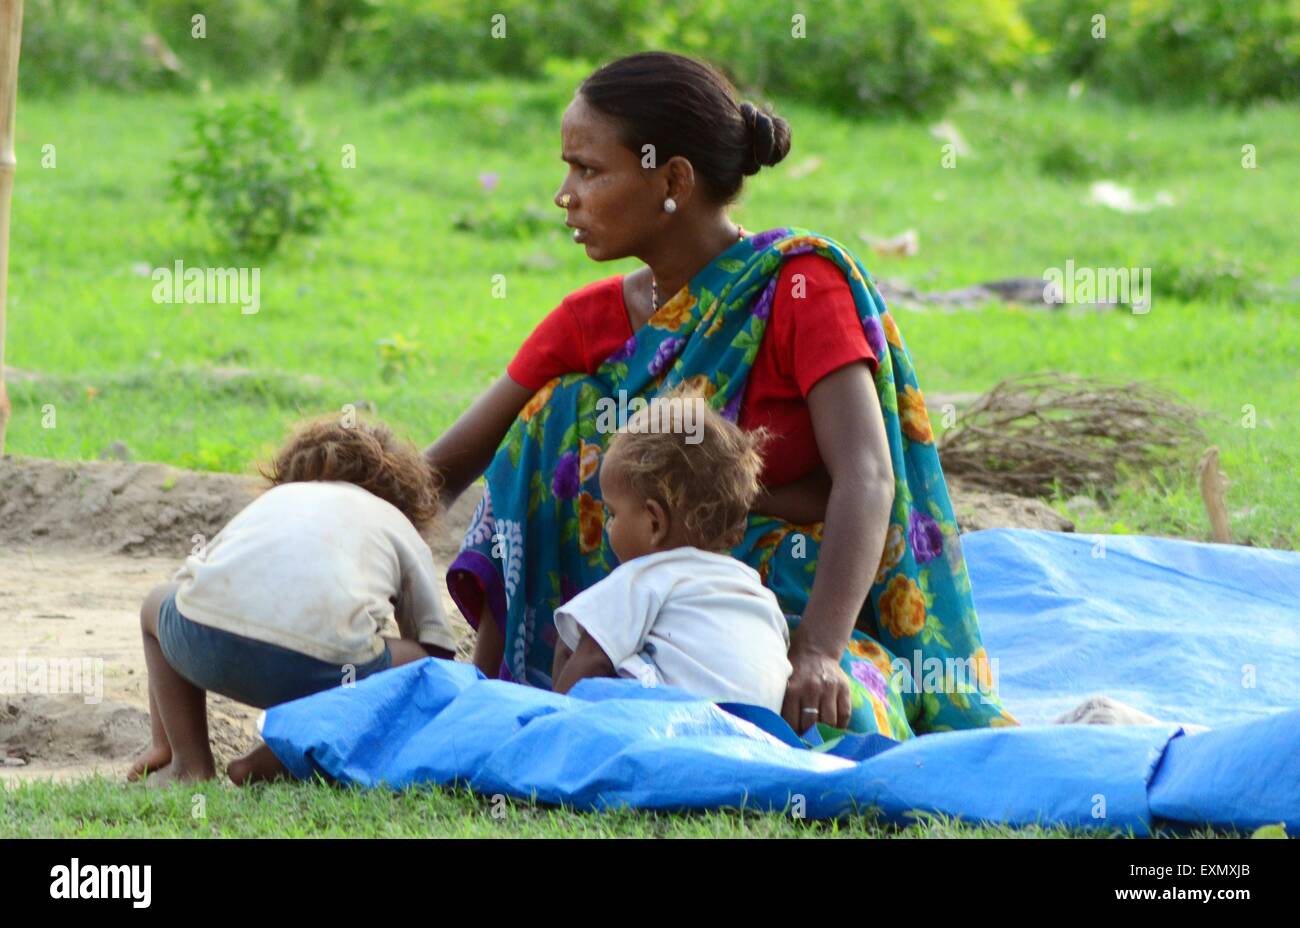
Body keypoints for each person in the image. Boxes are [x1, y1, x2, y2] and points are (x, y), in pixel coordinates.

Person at [426, 51, 1017, 739]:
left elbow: (868, 473)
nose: (565, 193)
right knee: (550, 418)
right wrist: (327, 520)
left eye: (588, 169)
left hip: (788, 615)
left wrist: (820, 654)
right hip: (626, 626)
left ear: (672, 178)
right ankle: (514, 680)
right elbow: (440, 473)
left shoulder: (797, 286)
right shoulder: (588, 323)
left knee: (830, 721)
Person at [128, 416, 457, 784]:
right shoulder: (398, 523)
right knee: (423, 664)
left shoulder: (277, 500)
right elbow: (437, 652)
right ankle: (278, 758)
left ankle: (182, 758)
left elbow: (192, 587)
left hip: (203, 646)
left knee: (157, 605)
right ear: (406, 495)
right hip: (322, 672)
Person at [552, 393, 793, 715]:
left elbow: (590, 659)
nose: (608, 527)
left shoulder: (647, 576)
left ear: (654, 522)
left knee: (576, 643)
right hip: (753, 738)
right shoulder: (757, 594)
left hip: (667, 726)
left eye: (612, 514)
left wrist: (549, 723)